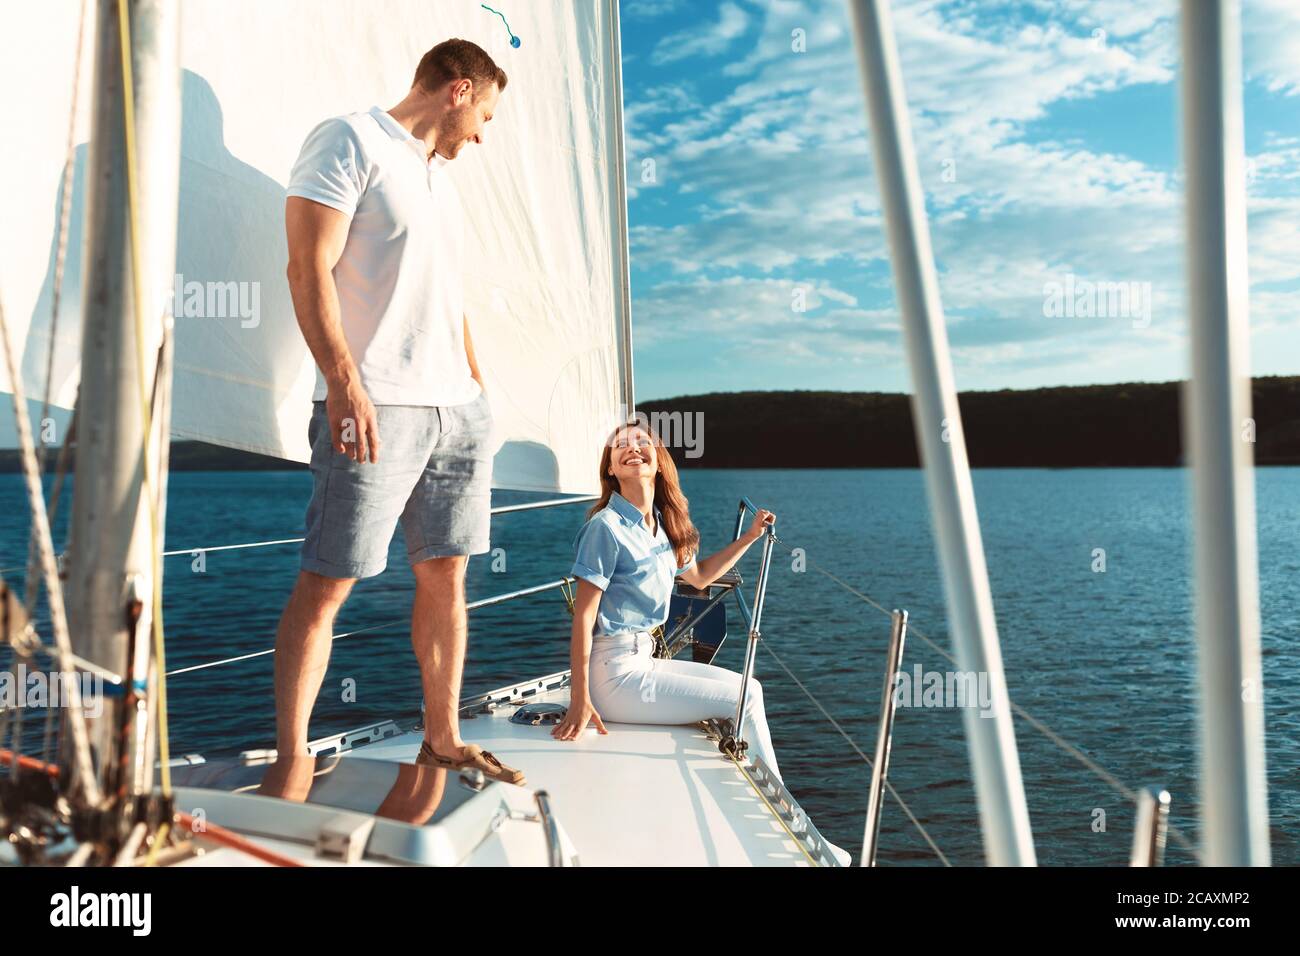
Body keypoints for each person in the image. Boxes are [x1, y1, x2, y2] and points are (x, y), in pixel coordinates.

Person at [272, 38, 523, 786]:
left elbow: (446, 296)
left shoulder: (440, 178)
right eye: (485, 112)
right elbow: (306, 263)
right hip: (376, 405)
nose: (483, 132)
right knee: (328, 583)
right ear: (458, 89)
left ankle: (442, 737)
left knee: (446, 577)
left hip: (458, 413)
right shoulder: (350, 140)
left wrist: (479, 392)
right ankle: (291, 755)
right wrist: (343, 381)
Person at [552, 421, 784, 781]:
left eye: (642, 442)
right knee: (746, 702)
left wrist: (750, 537)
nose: (632, 448)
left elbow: (699, 577)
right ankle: (787, 815)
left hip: (643, 658)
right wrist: (579, 699)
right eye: (621, 446)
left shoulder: (660, 525)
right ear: (611, 469)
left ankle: (777, 803)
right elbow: (584, 618)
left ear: (658, 462)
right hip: (613, 674)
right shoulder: (606, 527)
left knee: (751, 687)